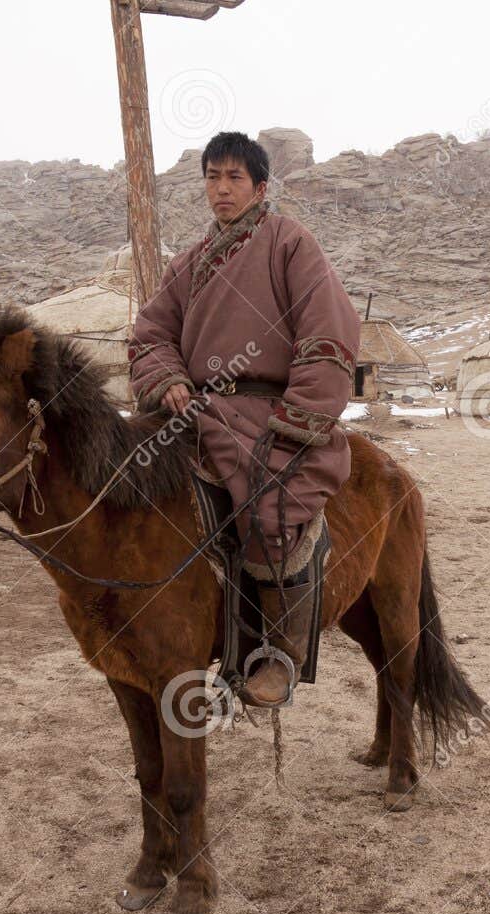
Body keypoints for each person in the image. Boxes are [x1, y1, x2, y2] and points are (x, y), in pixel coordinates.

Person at [128, 131, 359, 709]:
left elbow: (328, 332)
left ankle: (278, 654)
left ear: (259, 187)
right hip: (194, 411)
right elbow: (151, 334)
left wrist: (297, 416)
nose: (221, 188)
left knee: (270, 501)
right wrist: (171, 379)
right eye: (212, 177)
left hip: (269, 410)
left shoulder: (290, 243)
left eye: (234, 178)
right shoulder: (188, 264)